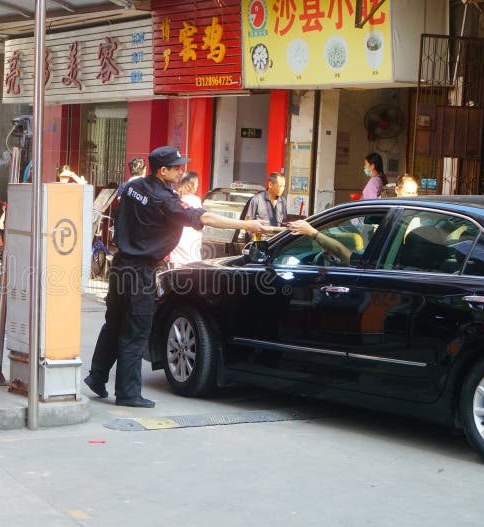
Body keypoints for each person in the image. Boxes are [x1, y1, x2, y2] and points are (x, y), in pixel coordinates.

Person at [84, 146, 266, 408]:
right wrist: (246, 225)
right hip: (140, 271)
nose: (182, 170)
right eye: (177, 167)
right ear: (163, 170)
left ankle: (97, 376)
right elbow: (204, 217)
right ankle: (128, 393)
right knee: (136, 332)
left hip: (120, 265)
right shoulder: (165, 200)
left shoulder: (133, 187)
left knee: (113, 323)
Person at [169, 171, 202, 267]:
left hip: (177, 240)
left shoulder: (175, 198)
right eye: (196, 183)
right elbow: (200, 222)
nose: (197, 185)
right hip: (191, 240)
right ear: (191, 185)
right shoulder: (195, 200)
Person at [287, 218, 353, 264]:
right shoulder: (317, 257)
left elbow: (341, 252)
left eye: (330, 247)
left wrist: (311, 231)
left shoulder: (354, 263)